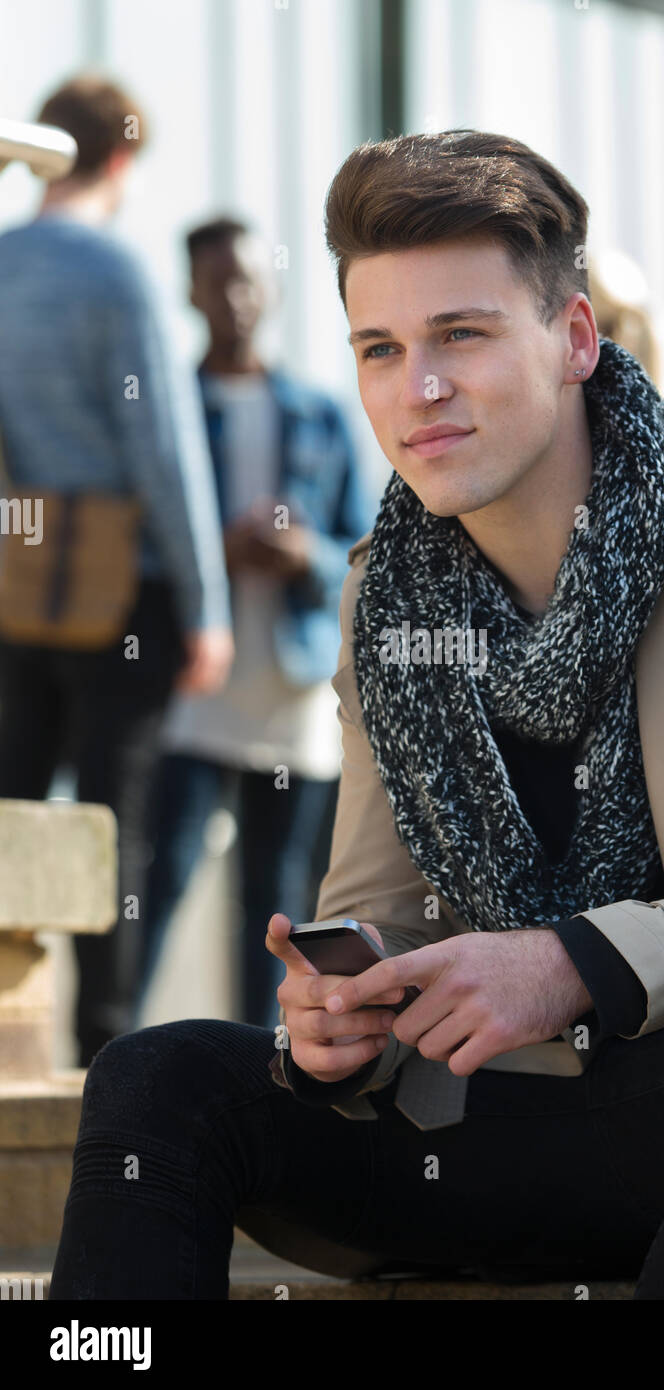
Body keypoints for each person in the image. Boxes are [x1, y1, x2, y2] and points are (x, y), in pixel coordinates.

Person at [49, 130, 664, 1300]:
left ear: (574, 338)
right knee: (157, 1075)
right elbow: (376, 911)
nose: (415, 389)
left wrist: (579, 959)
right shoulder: (383, 594)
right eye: (378, 348)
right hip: (498, 1125)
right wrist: (347, 1006)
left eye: (460, 336)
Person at [0, 75, 233, 1066]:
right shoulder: (117, 274)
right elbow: (164, 455)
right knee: (112, 826)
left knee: (8, 804)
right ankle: (107, 1059)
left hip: (11, 572)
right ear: (124, 159)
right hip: (119, 588)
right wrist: (207, 604)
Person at [136, 216, 373, 1029]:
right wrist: (209, 554)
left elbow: (363, 546)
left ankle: (256, 1066)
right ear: (190, 292)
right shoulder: (167, 407)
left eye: (246, 279)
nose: (234, 297)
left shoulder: (319, 412)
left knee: (275, 897)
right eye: (215, 281)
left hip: (292, 684)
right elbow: (136, 542)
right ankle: (113, 1051)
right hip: (190, 684)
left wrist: (302, 554)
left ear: (268, 288)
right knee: (159, 873)